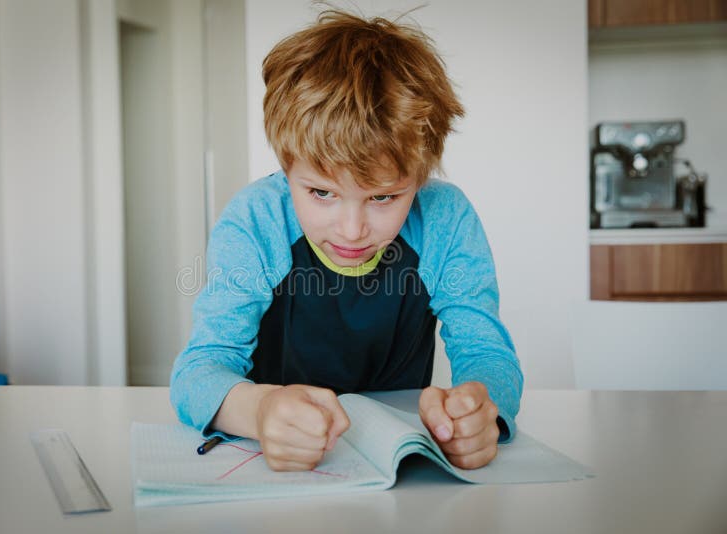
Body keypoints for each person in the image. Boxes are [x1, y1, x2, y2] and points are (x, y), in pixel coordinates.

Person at [170, 9, 523, 472]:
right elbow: (199, 371)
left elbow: (485, 352)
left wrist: (480, 412)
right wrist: (259, 410)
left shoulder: (446, 217)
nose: (351, 230)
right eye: (321, 192)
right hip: (272, 472)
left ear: (419, 178)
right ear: (286, 166)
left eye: (383, 196)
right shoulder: (256, 220)